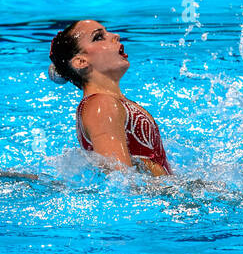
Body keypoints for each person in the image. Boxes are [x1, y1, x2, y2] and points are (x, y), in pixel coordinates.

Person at [48, 20, 172, 176]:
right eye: (99, 37)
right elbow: (121, 179)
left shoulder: (109, 102)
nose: (116, 36)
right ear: (81, 62)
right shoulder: (101, 104)